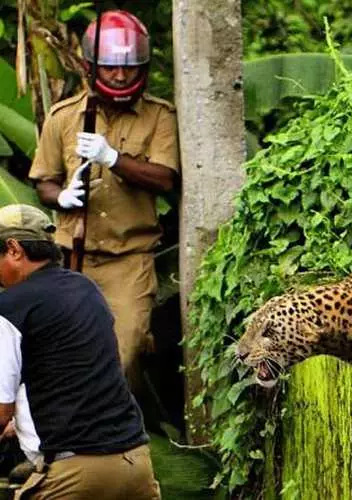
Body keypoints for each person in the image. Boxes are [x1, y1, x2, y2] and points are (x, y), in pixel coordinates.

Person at [28, 10, 179, 390]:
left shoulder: (159, 117)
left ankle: (119, 439)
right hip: (70, 258)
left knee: (124, 351)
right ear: (91, 66)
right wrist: (61, 197)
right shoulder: (63, 117)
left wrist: (113, 159)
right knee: (60, 355)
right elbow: (43, 180)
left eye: (129, 68)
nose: (121, 75)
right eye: (111, 68)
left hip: (129, 260)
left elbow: (164, 178)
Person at [0, 203, 161, 499]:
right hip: (135, 464)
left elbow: (0, 411)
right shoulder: (85, 288)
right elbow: (72, 376)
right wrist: (18, 424)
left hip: (76, 476)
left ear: (13, 249)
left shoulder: (9, 309)